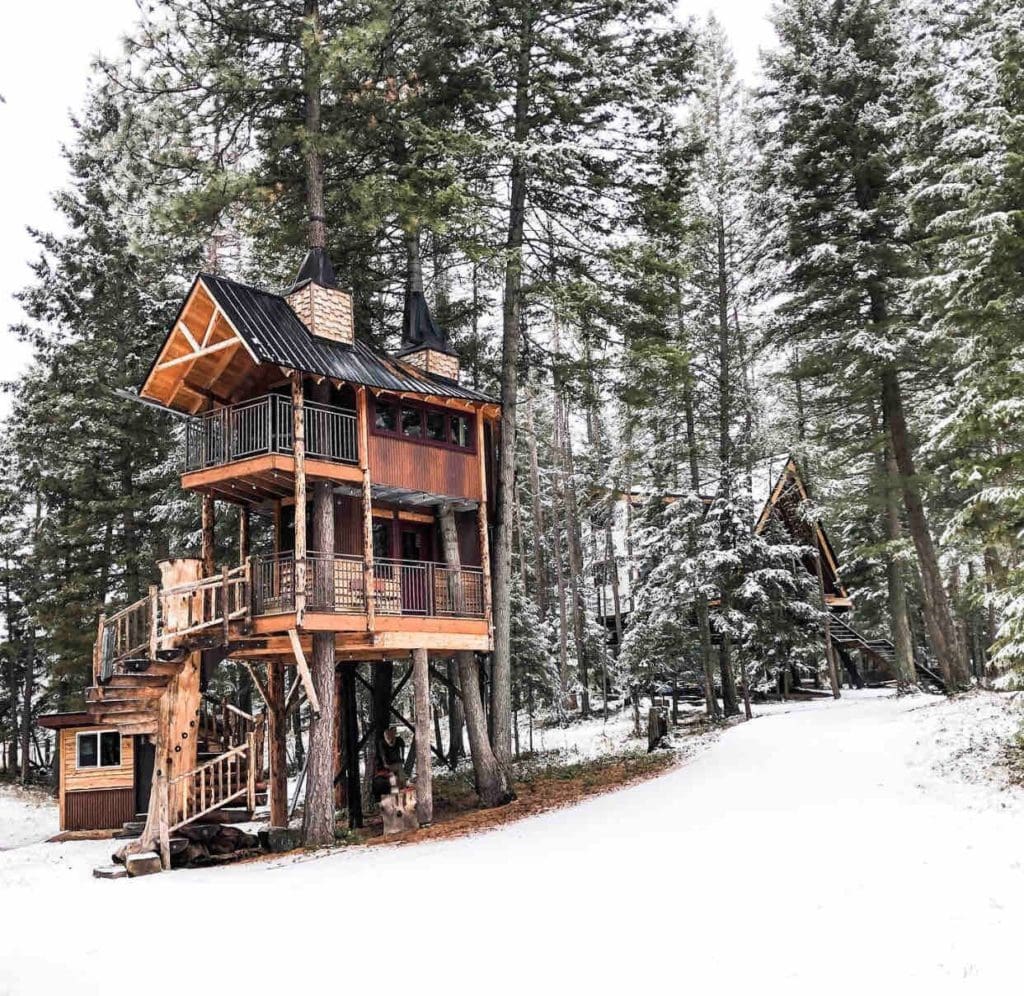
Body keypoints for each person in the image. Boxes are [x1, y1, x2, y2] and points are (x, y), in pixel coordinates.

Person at [376, 726, 407, 791]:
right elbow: (382, 754)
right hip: (389, 764)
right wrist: (384, 763)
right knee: (393, 777)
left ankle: (402, 787)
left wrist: (402, 757)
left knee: (399, 773)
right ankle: (398, 789)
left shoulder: (398, 739)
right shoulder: (382, 742)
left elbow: (403, 747)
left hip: (397, 762)